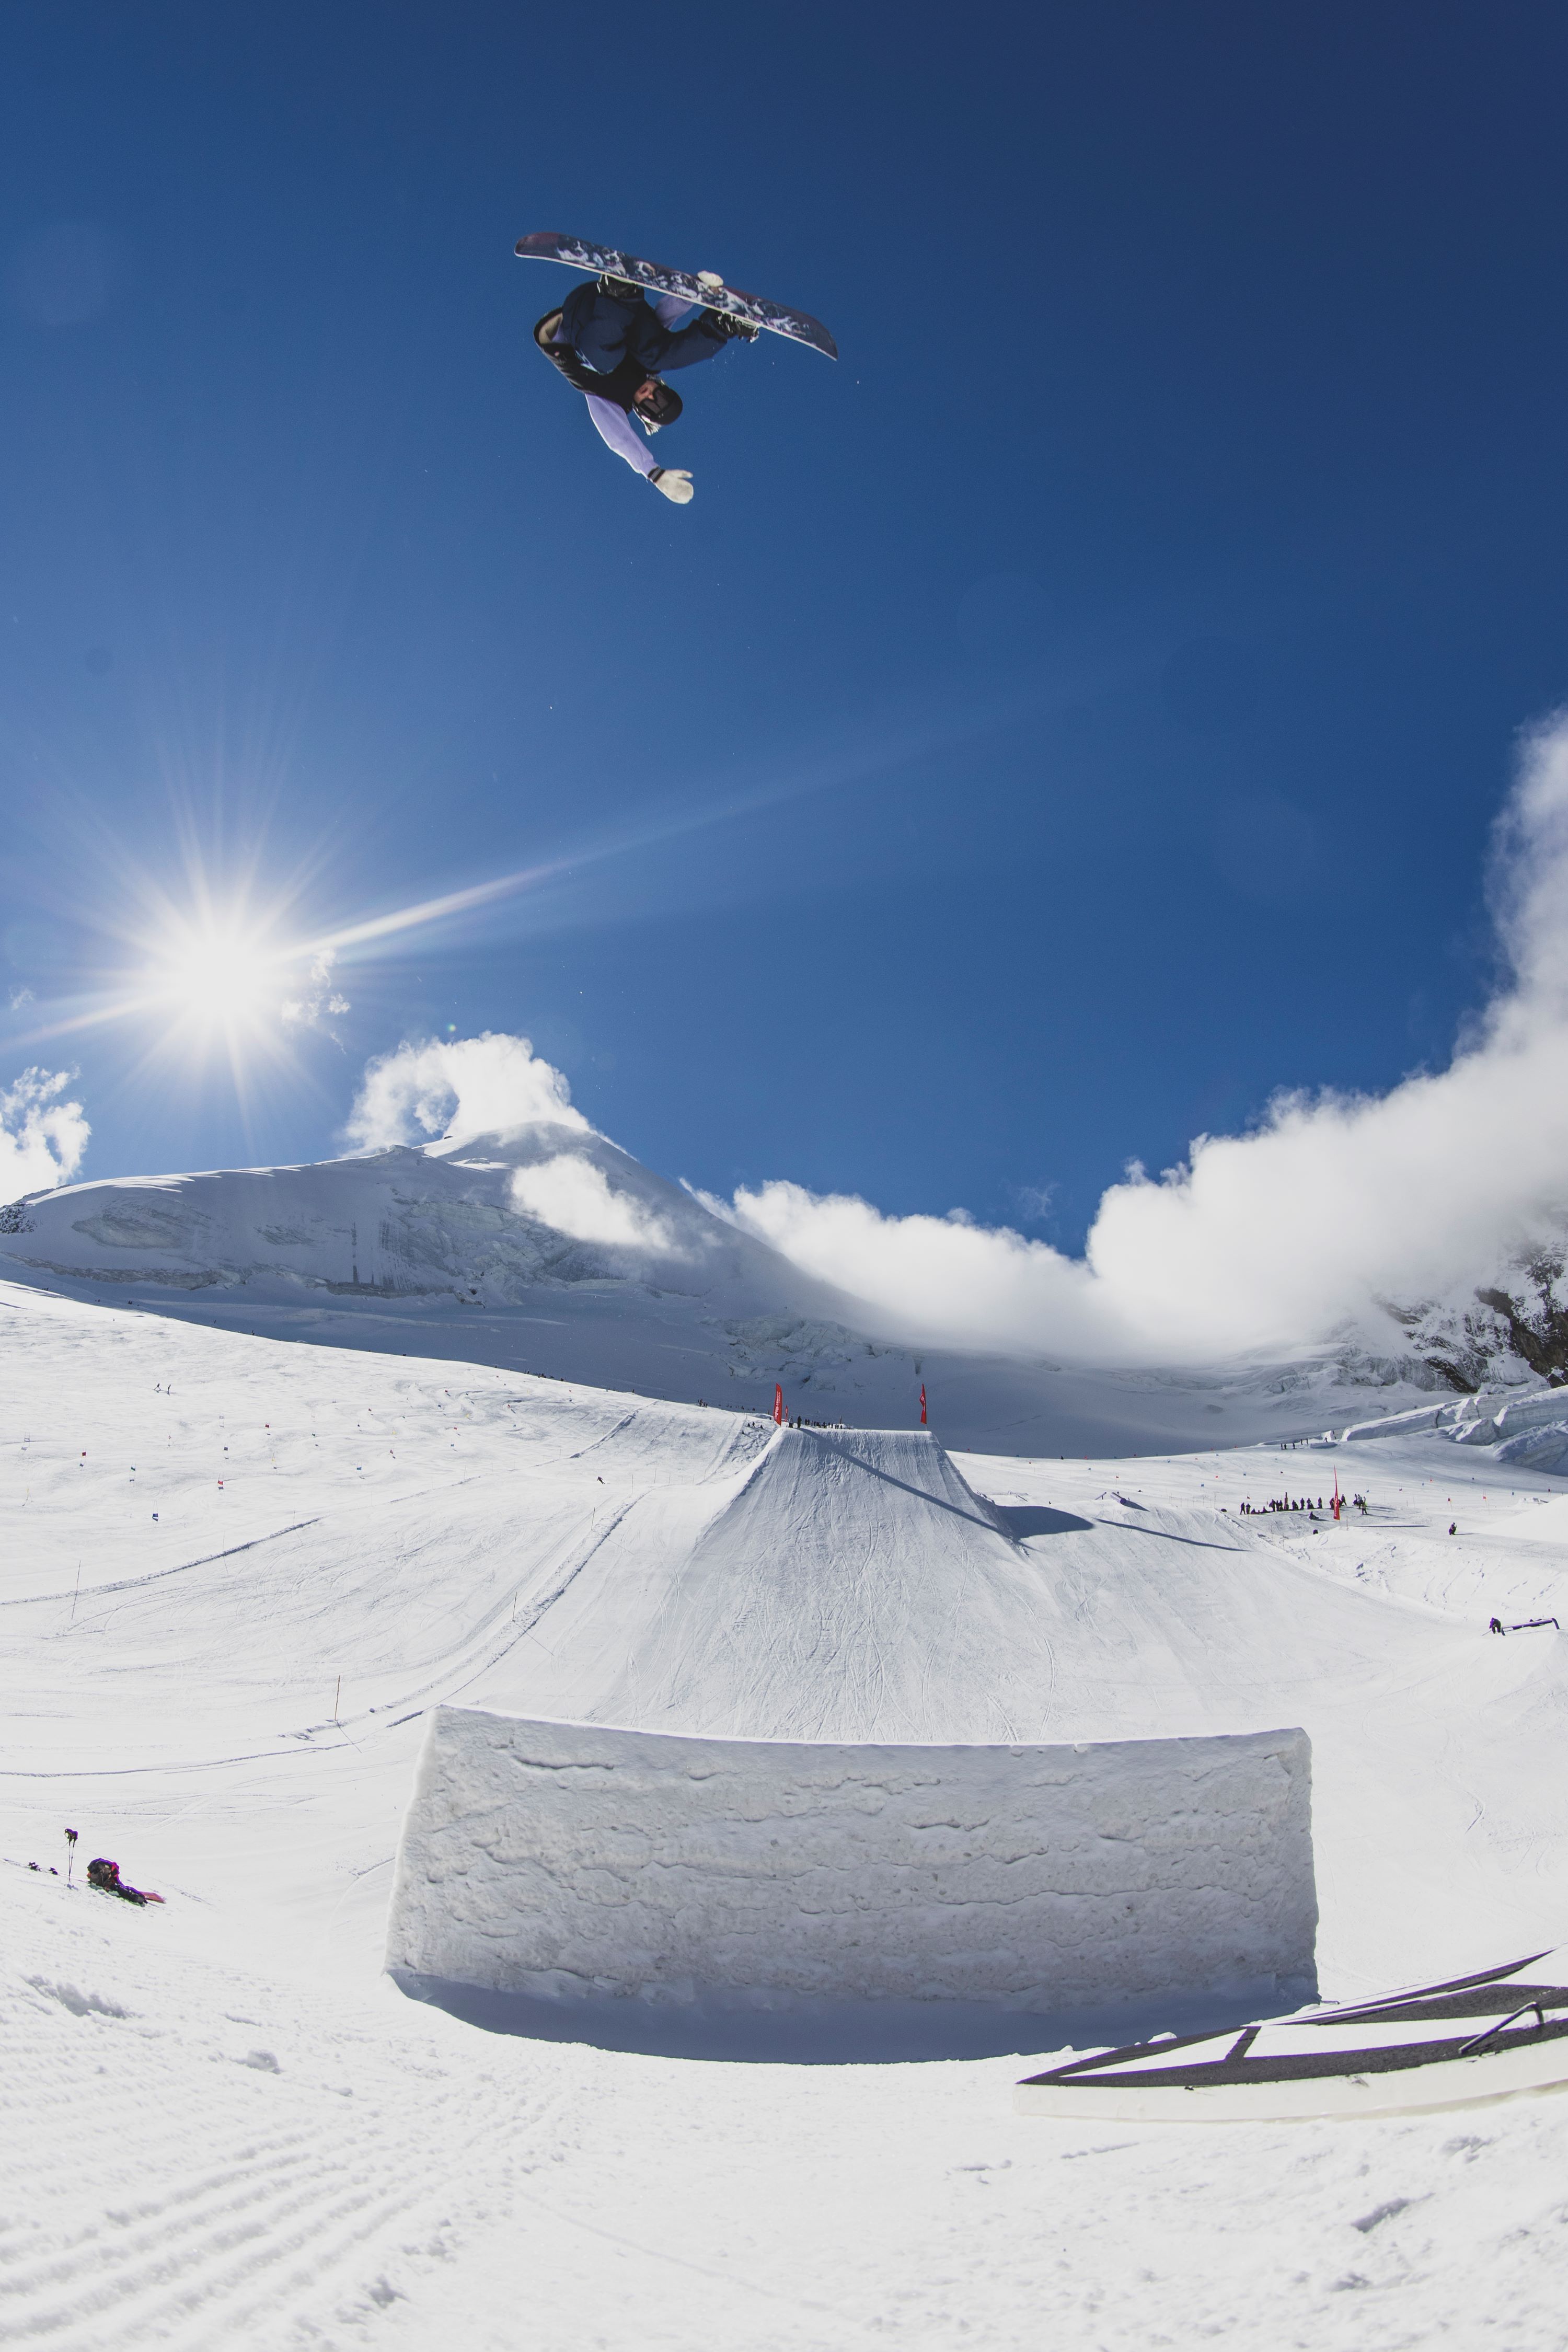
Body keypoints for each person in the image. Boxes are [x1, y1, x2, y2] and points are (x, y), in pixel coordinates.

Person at [535, 273, 756, 504]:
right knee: (660, 355)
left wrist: (653, 472)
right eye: (661, 396)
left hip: (576, 320)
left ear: (641, 412)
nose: (651, 396)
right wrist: (693, 293)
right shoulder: (650, 361)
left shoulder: (607, 397)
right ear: (662, 387)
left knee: (605, 363)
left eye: (651, 406)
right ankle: (724, 325)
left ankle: (616, 293)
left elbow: (618, 437)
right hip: (618, 303)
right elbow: (661, 319)